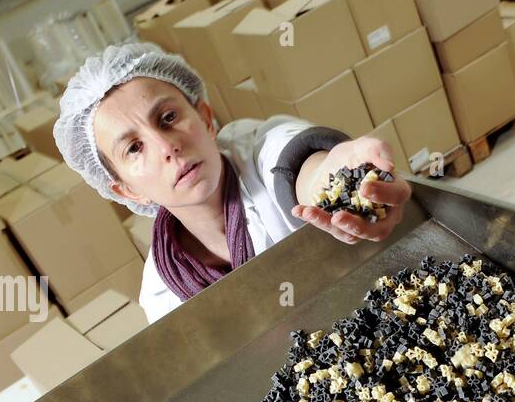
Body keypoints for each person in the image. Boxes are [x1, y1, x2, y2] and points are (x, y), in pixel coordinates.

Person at [53, 42, 412, 324]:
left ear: (206, 119)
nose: (167, 147)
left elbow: (293, 163)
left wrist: (338, 179)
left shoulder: (258, 152)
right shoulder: (164, 295)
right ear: (126, 189)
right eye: (134, 148)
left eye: (168, 117)